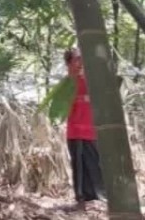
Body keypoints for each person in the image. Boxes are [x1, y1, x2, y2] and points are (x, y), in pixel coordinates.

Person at [63, 48, 104, 211]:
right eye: (77, 59)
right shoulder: (66, 83)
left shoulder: (91, 81)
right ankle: (81, 197)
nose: (81, 63)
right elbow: (62, 107)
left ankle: (97, 196)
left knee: (94, 163)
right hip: (75, 131)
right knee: (79, 165)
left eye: (82, 59)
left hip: (92, 130)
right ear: (69, 63)